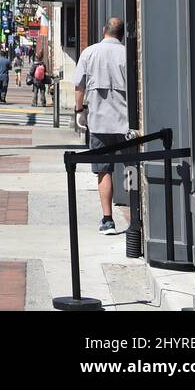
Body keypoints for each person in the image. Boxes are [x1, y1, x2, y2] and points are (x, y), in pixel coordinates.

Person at [73, 17, 129, 234]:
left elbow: (79, 86)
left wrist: (80, 111)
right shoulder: (127, 53)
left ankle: (108, 219)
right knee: (132, 165)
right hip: (126, 122)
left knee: (103, 171)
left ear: (104, 30)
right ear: (122, 34)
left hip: (99, 122)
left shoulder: (89, 52)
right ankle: (137, 214)